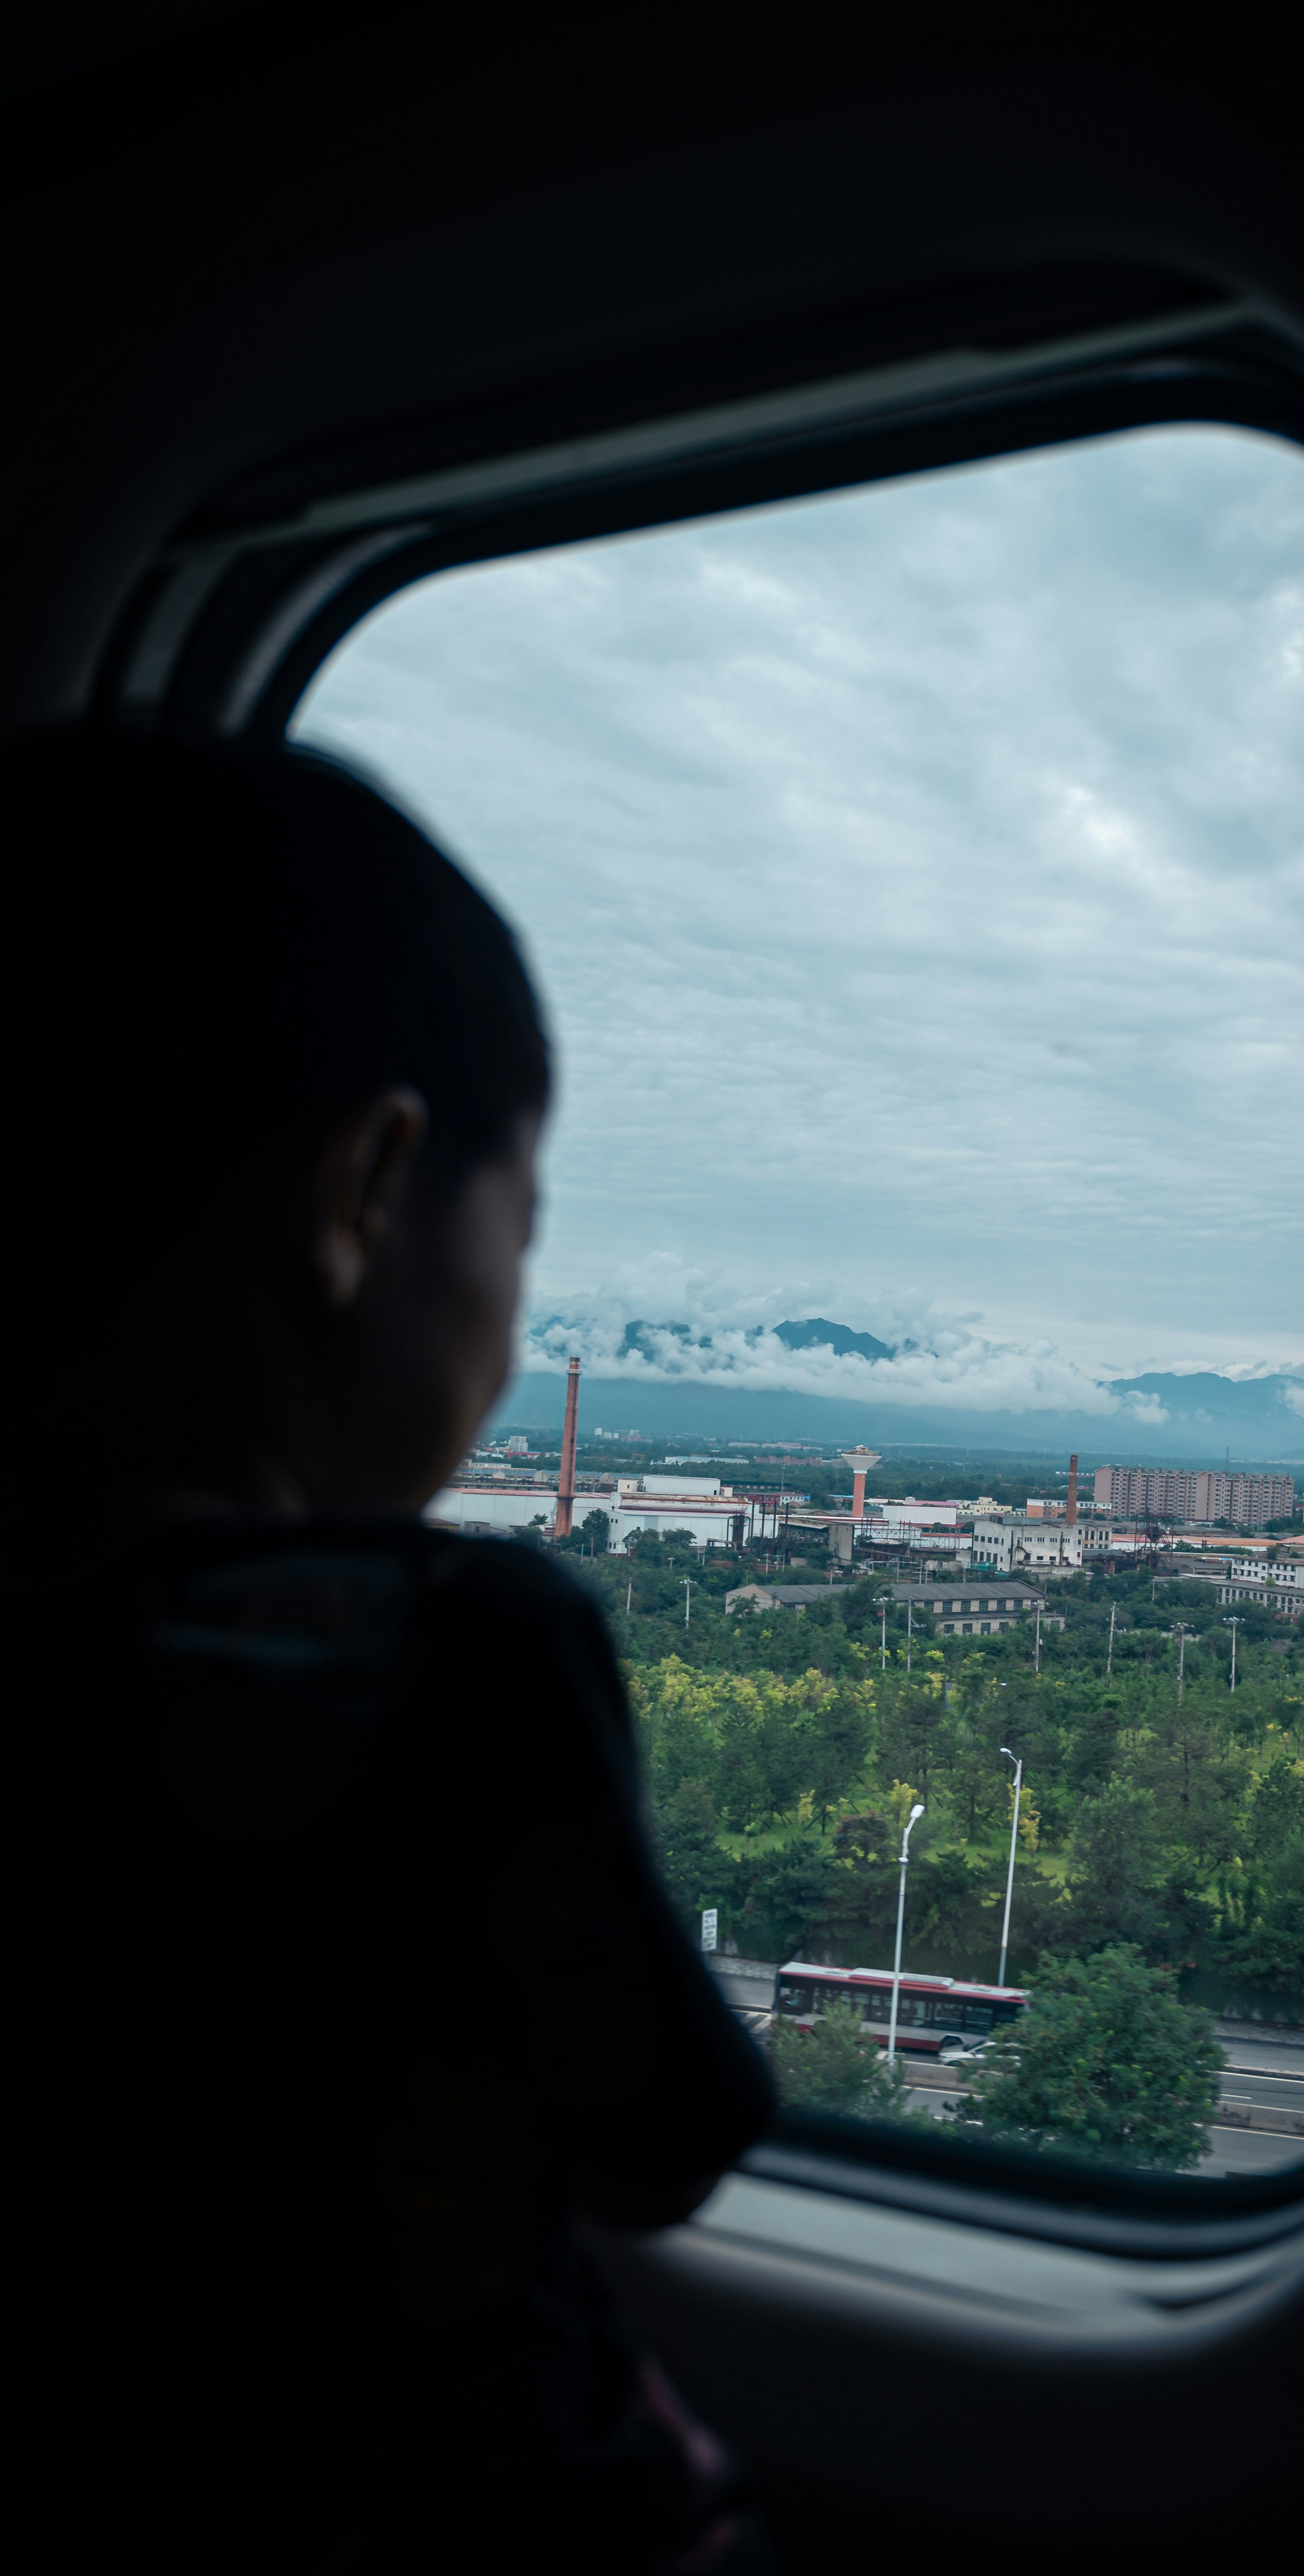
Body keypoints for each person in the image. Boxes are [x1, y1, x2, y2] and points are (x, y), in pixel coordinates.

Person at [4, 724, 774, 2574]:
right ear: (364, 1194)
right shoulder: (442, 1654)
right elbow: (668, 2135)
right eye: (524, 1225)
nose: (515, 1322)